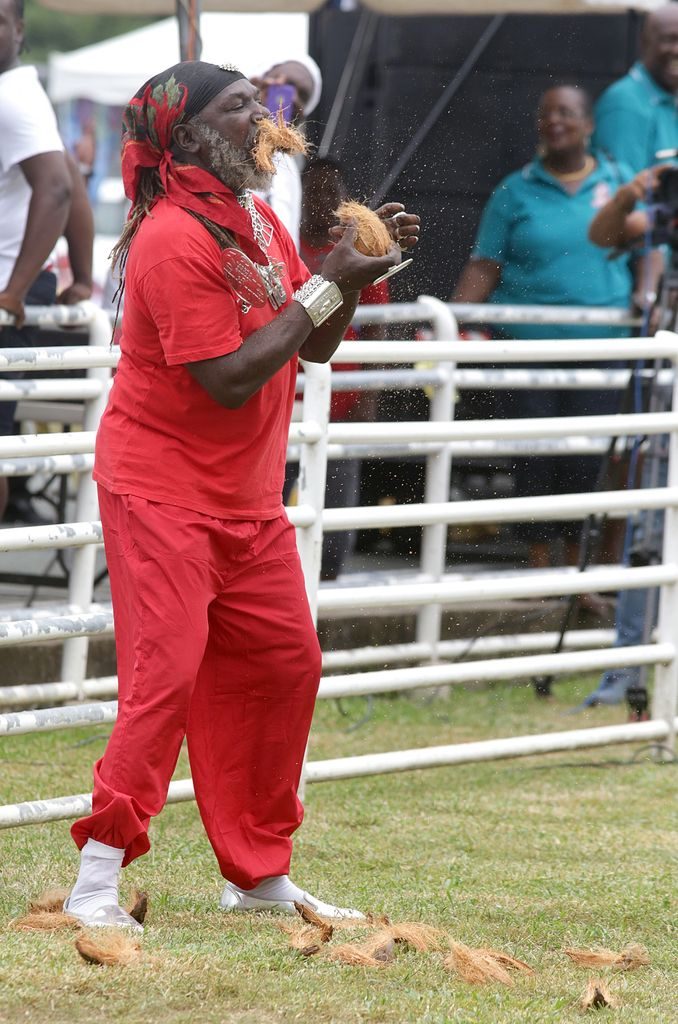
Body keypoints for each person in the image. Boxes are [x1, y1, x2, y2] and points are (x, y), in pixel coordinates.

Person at [63, 60, 419, 931]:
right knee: (166, 674)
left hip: (247, 496)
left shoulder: (256, 218)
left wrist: (351, 277)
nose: (263, 117)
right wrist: (329, 282)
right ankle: (96, 879)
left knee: (284, 663)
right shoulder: (169, 237)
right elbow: (226, 378)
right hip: (161, 490)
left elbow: (314, 345)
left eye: (261, 104)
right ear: (188, 136)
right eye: (238, 107)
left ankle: (257, 874)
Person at [452, 84, 637, 572]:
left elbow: (650, 250)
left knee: (587, 460)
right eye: (546, 112)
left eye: (567, 112)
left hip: (600, 349)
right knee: (534, 456)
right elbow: (485, 265)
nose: (555, 120)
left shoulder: (620, 182)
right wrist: (449, 323)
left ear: (589, 124)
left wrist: (645, 293)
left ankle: (575, 569)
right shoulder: (514, 190)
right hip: (527, 348)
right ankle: (539, 568)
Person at [0, 0, 93, 524]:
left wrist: (14, 290)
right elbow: (71, 179)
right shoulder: (19, 93)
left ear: (19, 30)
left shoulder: (12, 97)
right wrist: (81, 275)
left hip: (6, 292)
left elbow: (57, 187)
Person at [582, 165, 670, 707]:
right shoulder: (665, 216)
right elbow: (603, 235)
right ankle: (627, 672)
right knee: (649, 528)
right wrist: (628, 196)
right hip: (666, 392)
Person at [297, 157, 391, 580]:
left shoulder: (359, 250)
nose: (322, 201)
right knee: (277, 497)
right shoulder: (284, 241)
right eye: (313, 192)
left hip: (342, 398)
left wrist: (368, 395)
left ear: (344, 200)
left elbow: (376, 329)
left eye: (330, 193)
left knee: (334, 513)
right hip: (286, 398)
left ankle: (328, 581)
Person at [593, 4, 678, 174]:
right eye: (669, 39)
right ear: (645, 42)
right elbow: (623, 186)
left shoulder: (669, 96)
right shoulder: (625, 103)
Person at [251, 55, 322, 245]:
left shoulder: (288, 168)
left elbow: (289, 247)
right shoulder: (222, 145)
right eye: (286, 84)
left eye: (302, 95)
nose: (292, 97)